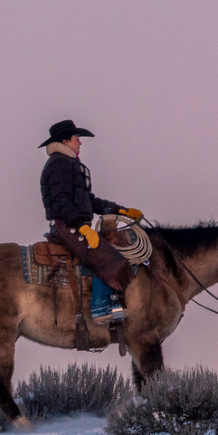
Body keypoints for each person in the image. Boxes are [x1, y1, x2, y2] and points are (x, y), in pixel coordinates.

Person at [39, 121, 144, 345]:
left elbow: (90, 201)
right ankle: (100, 307)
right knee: (106, 256)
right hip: (66, 225)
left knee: (110, 249)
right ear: (65, 141)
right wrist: (81, 226)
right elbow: (61, 201)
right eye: (77, 138)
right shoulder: (59, 164)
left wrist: (120, 210)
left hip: (74, 223)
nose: (80, 143)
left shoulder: (70, 164)